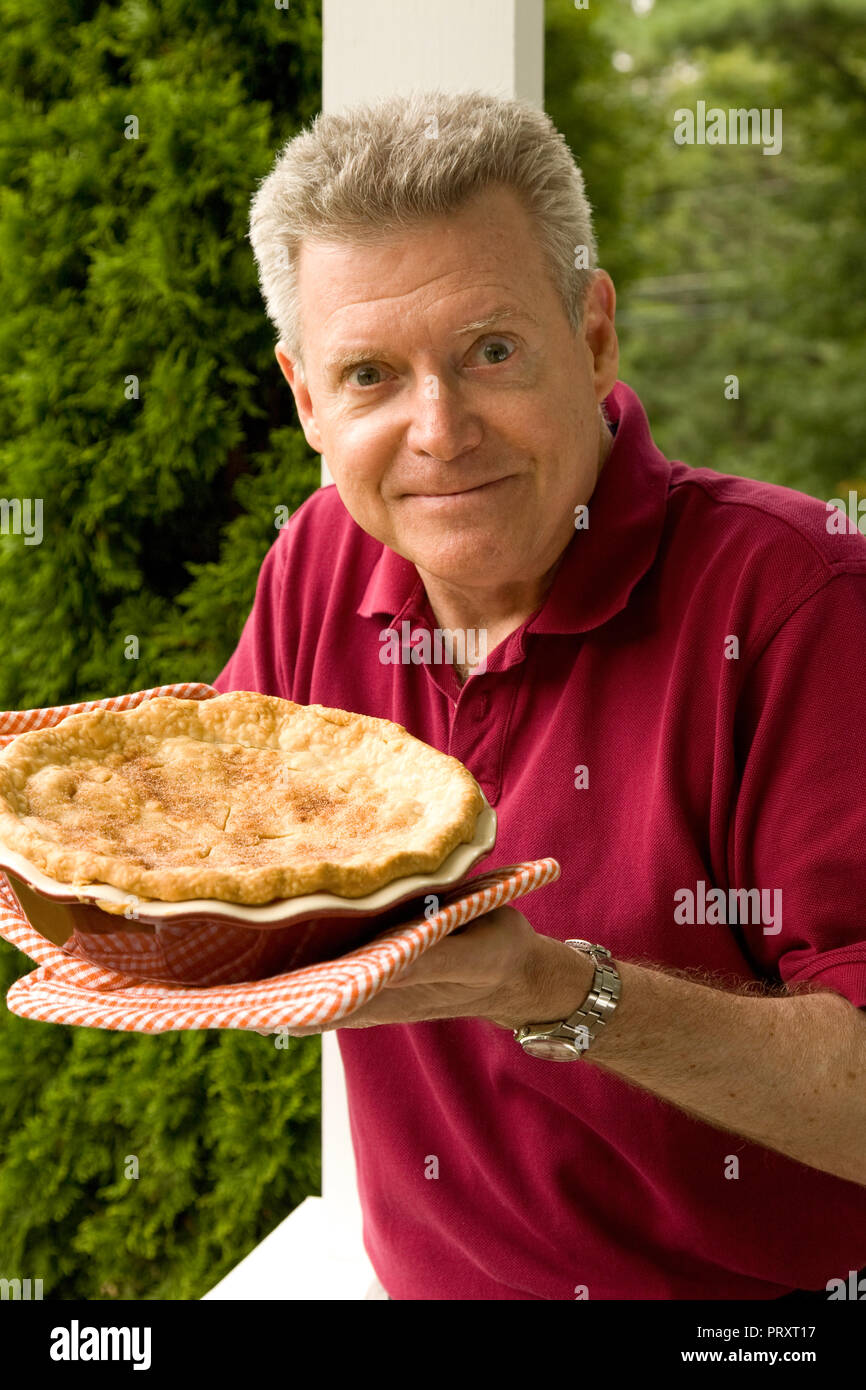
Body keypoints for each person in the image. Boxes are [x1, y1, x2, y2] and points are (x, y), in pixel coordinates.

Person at [212, 89, 866, 1300]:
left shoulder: (803, 603)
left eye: (490, 351)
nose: (439, 431)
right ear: (307, 399)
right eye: (369, 377)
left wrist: (553, 990)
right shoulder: (319, 556)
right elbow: (228, 858)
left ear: (594, 332)